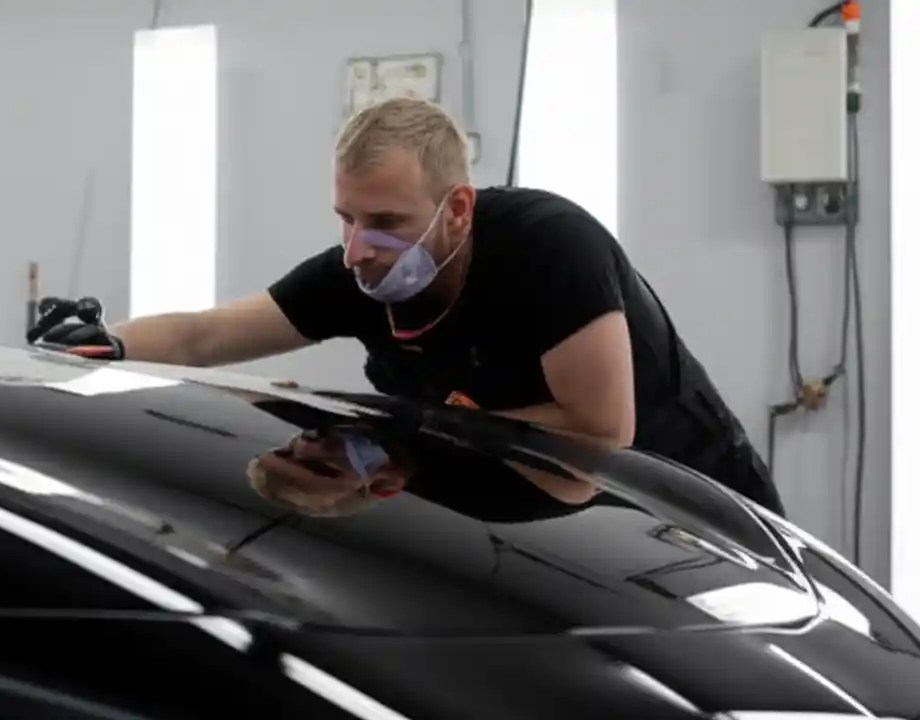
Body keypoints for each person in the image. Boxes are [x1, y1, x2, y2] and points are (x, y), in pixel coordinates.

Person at [44, 97, 784, 515]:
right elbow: (204, 338)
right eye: (346, 219)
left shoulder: (552, 247)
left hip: (694, 506)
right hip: (549, 526)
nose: (358, 248)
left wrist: (395, 430)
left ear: (457, 208)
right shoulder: (361, 274)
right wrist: (104, 344)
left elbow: (599, 432)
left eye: (386, 223)